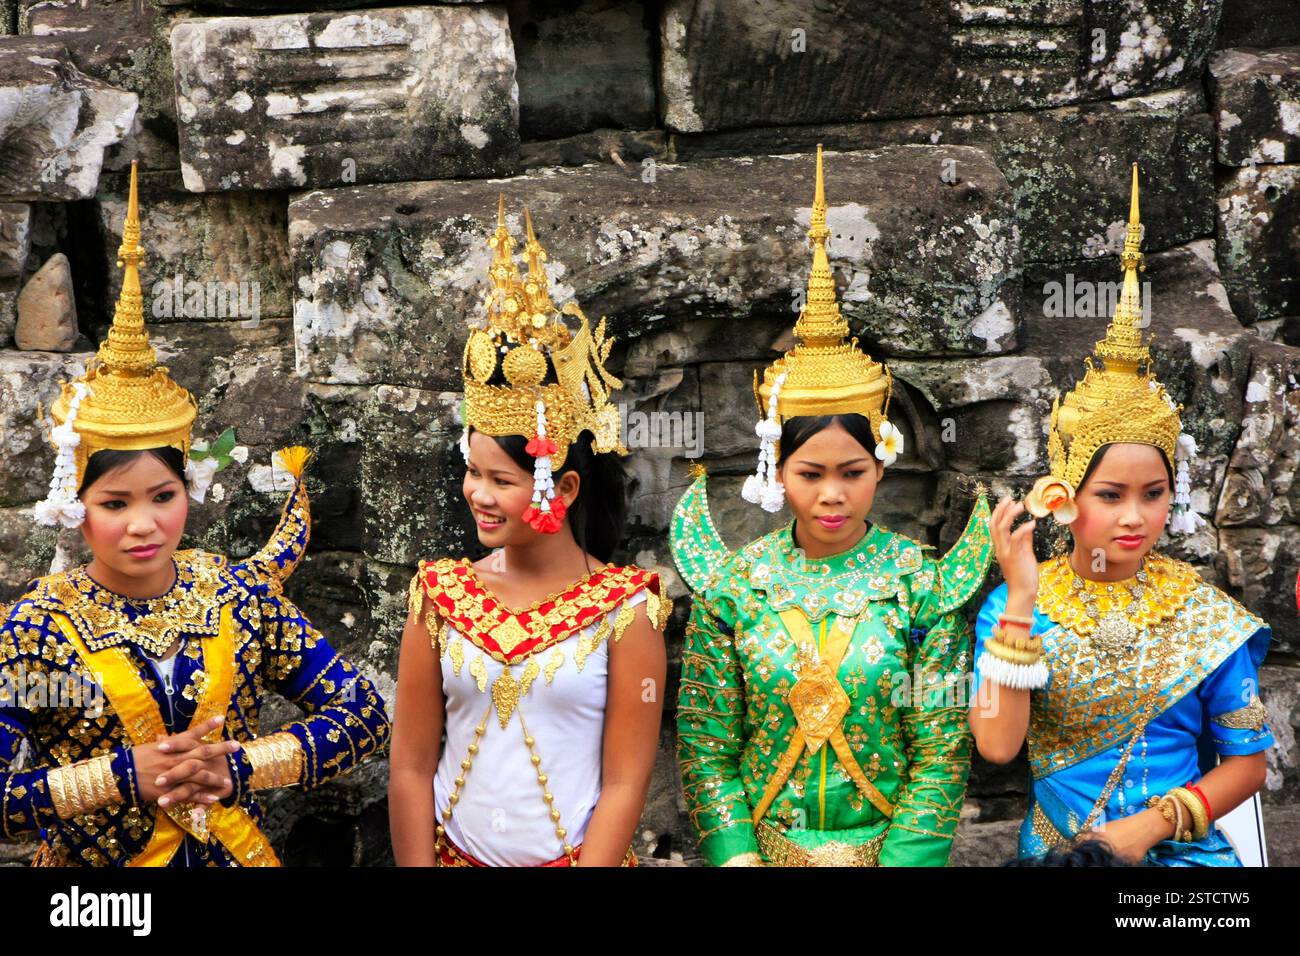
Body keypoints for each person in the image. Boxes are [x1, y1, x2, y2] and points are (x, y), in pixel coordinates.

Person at [0, 163, 390, 866]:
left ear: (191, 491)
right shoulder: (39, 628)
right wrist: (120, 778)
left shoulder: (237, 596)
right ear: (75, 506)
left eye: (163, 497)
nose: (144, 524)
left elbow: (362, 717)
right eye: (114, 504)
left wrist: (240, 767)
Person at [672, 146, 992, 867]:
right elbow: (705, 743)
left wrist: (901, 862)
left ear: (881, 467)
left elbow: (940, 750)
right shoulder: (736, 587)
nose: (832, 494)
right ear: (776, 472)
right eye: (810, 473)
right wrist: (740, 858)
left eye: (852, 472)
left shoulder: (921, 584)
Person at [969, 166, 1273, 866]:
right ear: (1062, 496)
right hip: (1057, 855)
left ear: (1176, 493)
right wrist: (1018, 596)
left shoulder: (1204, 614)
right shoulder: (1020, 608)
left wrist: (1152, 827)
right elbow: (996, 746)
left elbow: (1248, 766)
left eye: (1154, 493)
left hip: (1184, 855)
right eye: (1110, 495)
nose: (1135, 517)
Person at [388, 200, 669, 867]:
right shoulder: (439, 596)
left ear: (562, 489)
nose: (477, 495)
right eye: (473, 473)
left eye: (501, 481)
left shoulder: (627, 610)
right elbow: (409, 766)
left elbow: (627, 782)